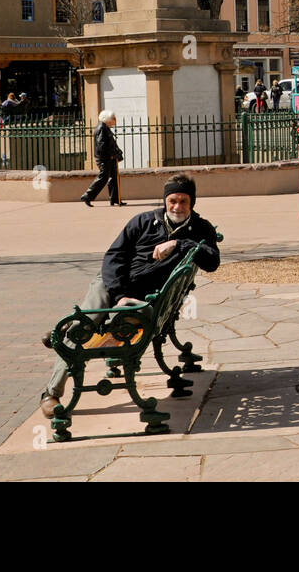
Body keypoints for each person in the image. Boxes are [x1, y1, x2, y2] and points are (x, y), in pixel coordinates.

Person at [40, 174, 221, 418]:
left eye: (183, 201)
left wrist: (178, 244)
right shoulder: (143, 222)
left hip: (145, 300)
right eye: (173, 200)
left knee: (107, 322)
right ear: (165, 200)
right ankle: (51, 393)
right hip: (111, 285)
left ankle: (66, 331)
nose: (177, 207)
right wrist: (120, 295)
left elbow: (212, 261)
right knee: (84, 327)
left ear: (192, 203)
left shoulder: (200, 229)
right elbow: (114, 257)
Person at [81, 109, 125, 206]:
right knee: (103, 178)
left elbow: (110, 143)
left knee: (114, 178)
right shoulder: (102, 128)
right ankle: (87, 196)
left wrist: (116, 152)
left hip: (110, 158)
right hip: (105, 159)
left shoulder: (105, 127)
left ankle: (115, 199)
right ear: (108, 119)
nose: (115, 120)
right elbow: (102, 145)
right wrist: (111, 154)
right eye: (113, 118)